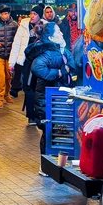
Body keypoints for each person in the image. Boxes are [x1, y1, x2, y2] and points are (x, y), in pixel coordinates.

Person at [25, 21, 75, 168]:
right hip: (47, 98)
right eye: (58, 32)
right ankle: (45, 165)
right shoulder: (48, 52)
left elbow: (72, 66)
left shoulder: (63, 50)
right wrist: (58, 73)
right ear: (52, 38)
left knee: (61, 129)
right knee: (49, 130)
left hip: (61, 96)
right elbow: (37, 67)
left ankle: (59, 164)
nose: (61, 34)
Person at [9, 10, 41, 98]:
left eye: (35, 14)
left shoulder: (44, 26)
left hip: (39, 60)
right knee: (27, 84)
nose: (32, 16)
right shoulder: (23, 26)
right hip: (25, 58)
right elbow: (16, 43)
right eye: (31, 14)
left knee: (36, 84)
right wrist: (12, 62)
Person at [0, 7, 18, 108]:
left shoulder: (14, 25)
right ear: (0, 15)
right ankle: (0, 98)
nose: (5, 15)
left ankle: (7, 95)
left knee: (8, 77)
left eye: (6, 13)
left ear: (9, 14)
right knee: (1, 76)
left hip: (10, 56)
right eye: (3, 14)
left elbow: (17, 39)